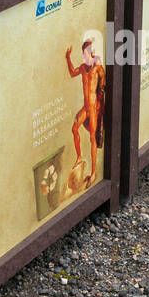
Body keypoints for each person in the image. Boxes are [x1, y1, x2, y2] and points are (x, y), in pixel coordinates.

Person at [65, 38, 105, 186]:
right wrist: (68, 58)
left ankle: (93, 172)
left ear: (88, 52)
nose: (84, 56)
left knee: (93, 139)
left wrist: (101, 96)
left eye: (85, 53)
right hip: (85, 108)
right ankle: (79, 157)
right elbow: (71, 73)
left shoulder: (96, 66)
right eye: (83, 53)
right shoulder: (82, 67)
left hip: (94, 109)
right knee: (74, 128)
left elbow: (103, 81)